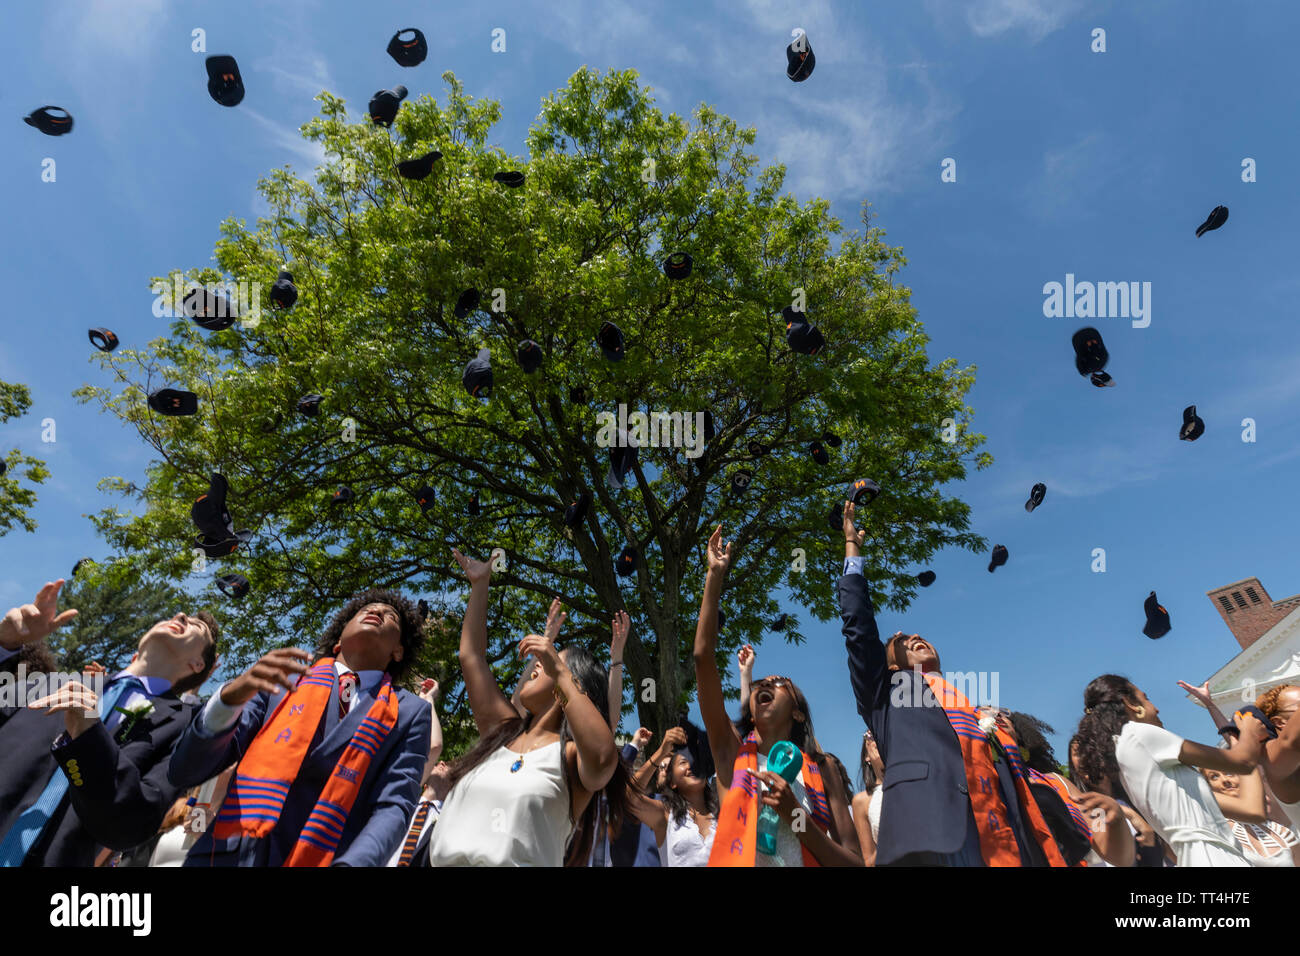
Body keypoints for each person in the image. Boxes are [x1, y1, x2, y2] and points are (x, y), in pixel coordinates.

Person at [838, 501, 1068, 866]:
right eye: (901, 640)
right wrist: (853, 549)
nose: (913, 635)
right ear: (888, 664)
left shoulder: (972, 707)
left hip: (1000, 835)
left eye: (919, 634)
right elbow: (858, 626)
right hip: (930, 835)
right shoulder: (885, 695)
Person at [169, 589, 431, 866]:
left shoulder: (409, 712)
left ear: (399, 651)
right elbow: (186, 770)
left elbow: (394, 805)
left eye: (390, 616)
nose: (376, 612)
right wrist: (226, 701)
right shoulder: (277, 680)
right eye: (366, 610)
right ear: (338, 641)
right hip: (226, 856)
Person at [426, 550, 625, 866]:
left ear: (572, 686)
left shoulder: (571, 758)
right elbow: (472, 657)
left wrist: (559, 669)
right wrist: (480, 585)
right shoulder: (500, 735)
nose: (537, 664)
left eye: (551, 661)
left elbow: (603, 757)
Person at [0, 579, 218, 867]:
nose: (179, 617)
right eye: (178, 615)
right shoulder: (55, 684)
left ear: (198, 665)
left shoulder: (184, 729)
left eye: (195, 626)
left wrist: (90, 735)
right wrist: (6, 645)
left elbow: (131, 823)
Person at [695, 526, 861, 866]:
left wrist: (797, 817)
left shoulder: (822, 767)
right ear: (751, 716)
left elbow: (855, 861)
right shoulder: (730, 752)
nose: (765, 684)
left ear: (798, 713)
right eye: (760, 685)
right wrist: (714, 576)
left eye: (780, 681)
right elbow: (702, 658)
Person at [1074, 674, 1268, 867]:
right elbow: (1242, 761)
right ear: (1130, 703)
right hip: (1213, 857)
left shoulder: (1128, 754)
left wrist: (1240, 740)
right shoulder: (1138, 733)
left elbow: (1252, 810)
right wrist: (1249, 725)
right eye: (1146, 698)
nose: (1156, 708)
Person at [997, 708, 1133, 866]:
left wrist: (1117, 820)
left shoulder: (1058, 782)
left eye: (1001, 712)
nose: (996, 715)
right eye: (982, 713)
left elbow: (1113, 854)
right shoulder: (972, 793)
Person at [625, 727, 718, 866]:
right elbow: (629, 797)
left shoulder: (724, 813)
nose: (692, 766)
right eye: (683, 762)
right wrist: (662, 751)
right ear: (672, 782)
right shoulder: (666, 815)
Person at [388, 760, 453, 867]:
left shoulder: (448, 824)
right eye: (436, 764)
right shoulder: (399, 804)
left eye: (450, 767)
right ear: (425, 785)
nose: (441, 763)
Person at [850, 731, 885, 865]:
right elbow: (869, 862)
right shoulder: (862, 801)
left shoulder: (911, 783)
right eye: (871, 736)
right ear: (866, 756)